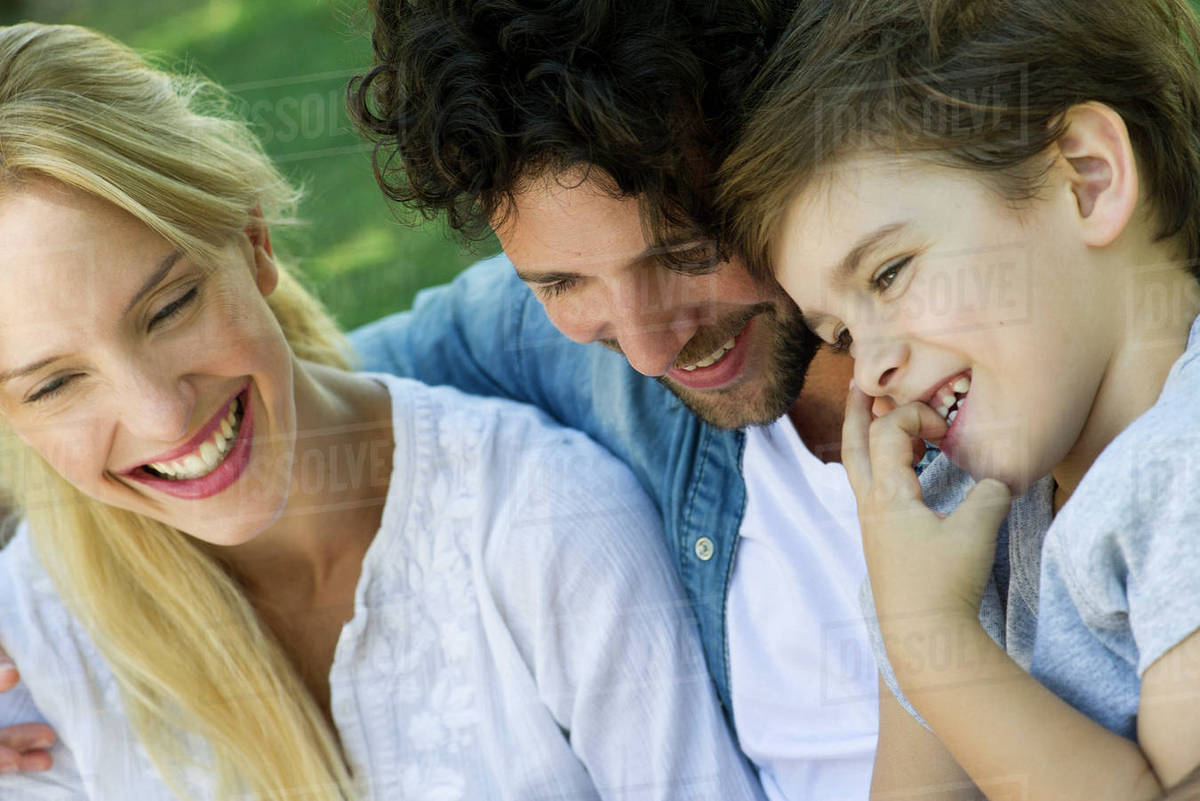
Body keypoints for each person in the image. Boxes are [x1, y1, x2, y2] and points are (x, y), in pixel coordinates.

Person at [0, 22, 764, 800]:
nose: (162, 416)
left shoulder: (541, 527)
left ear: (254, 241)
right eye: (54, 384)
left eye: (170, 307)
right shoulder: (26, 664)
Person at [344, 1, 880, 797]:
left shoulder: (1010, 379)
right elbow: (338, 387)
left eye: (687, 249)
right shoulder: (571, 348)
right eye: (562, 282)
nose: (646, 348)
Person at [719, 0, 1200, 799]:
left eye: (889, 273)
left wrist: (934, 642)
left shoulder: (1182, 465)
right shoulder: (962, 523)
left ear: (1087, 179)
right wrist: (918, 622)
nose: (867, 368)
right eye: (838, 334)